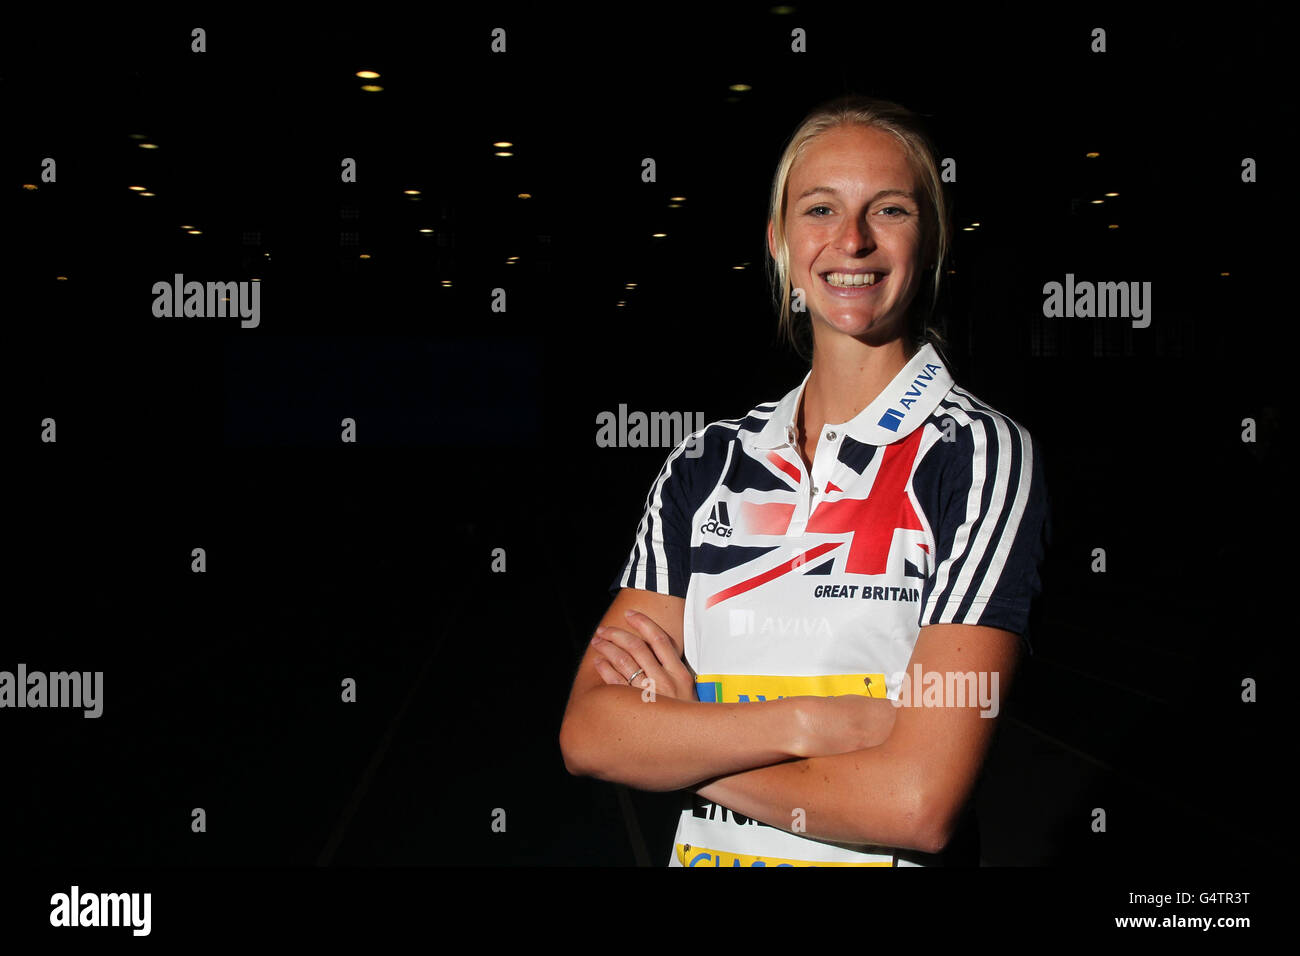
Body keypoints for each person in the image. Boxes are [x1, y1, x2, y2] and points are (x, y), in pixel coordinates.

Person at [559, 94, 1049, 867]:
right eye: (820, 208)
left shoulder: (976, 454)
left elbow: (916, 805)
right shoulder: (703, 463)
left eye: (888, 210)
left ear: (932, 242)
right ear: (780, 242)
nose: (851, 240)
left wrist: (685, 740)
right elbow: (591, 732)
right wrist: (811, 723)